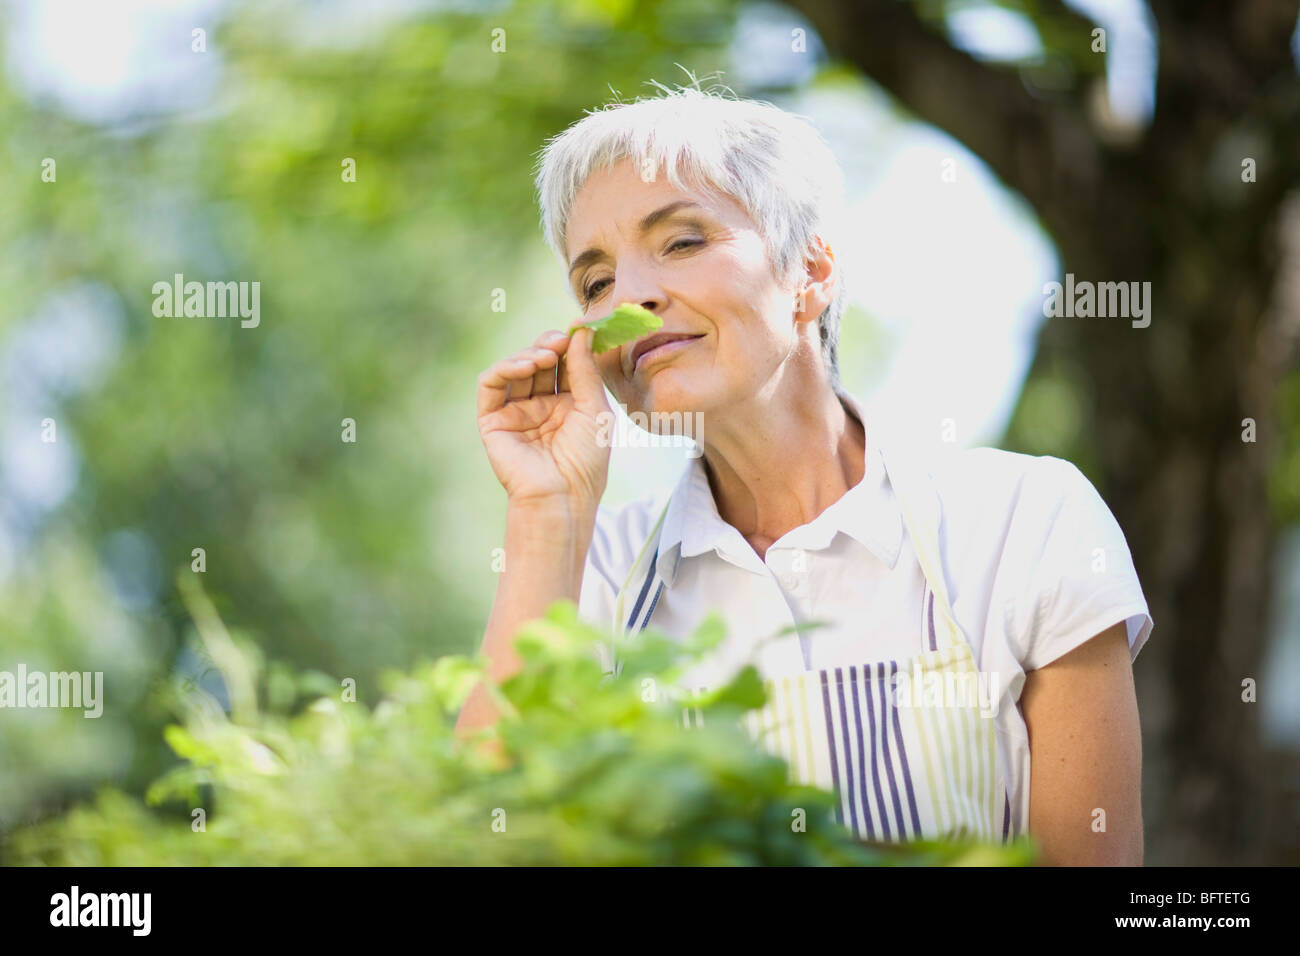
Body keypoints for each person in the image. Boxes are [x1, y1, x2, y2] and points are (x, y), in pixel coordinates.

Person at [461, 83, 1153, 865]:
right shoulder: (591, 574)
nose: (634, 294)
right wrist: (547, 514)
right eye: (596, 283)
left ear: (811, 273)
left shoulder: (1027, 521)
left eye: (682, 242)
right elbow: (482, 835)